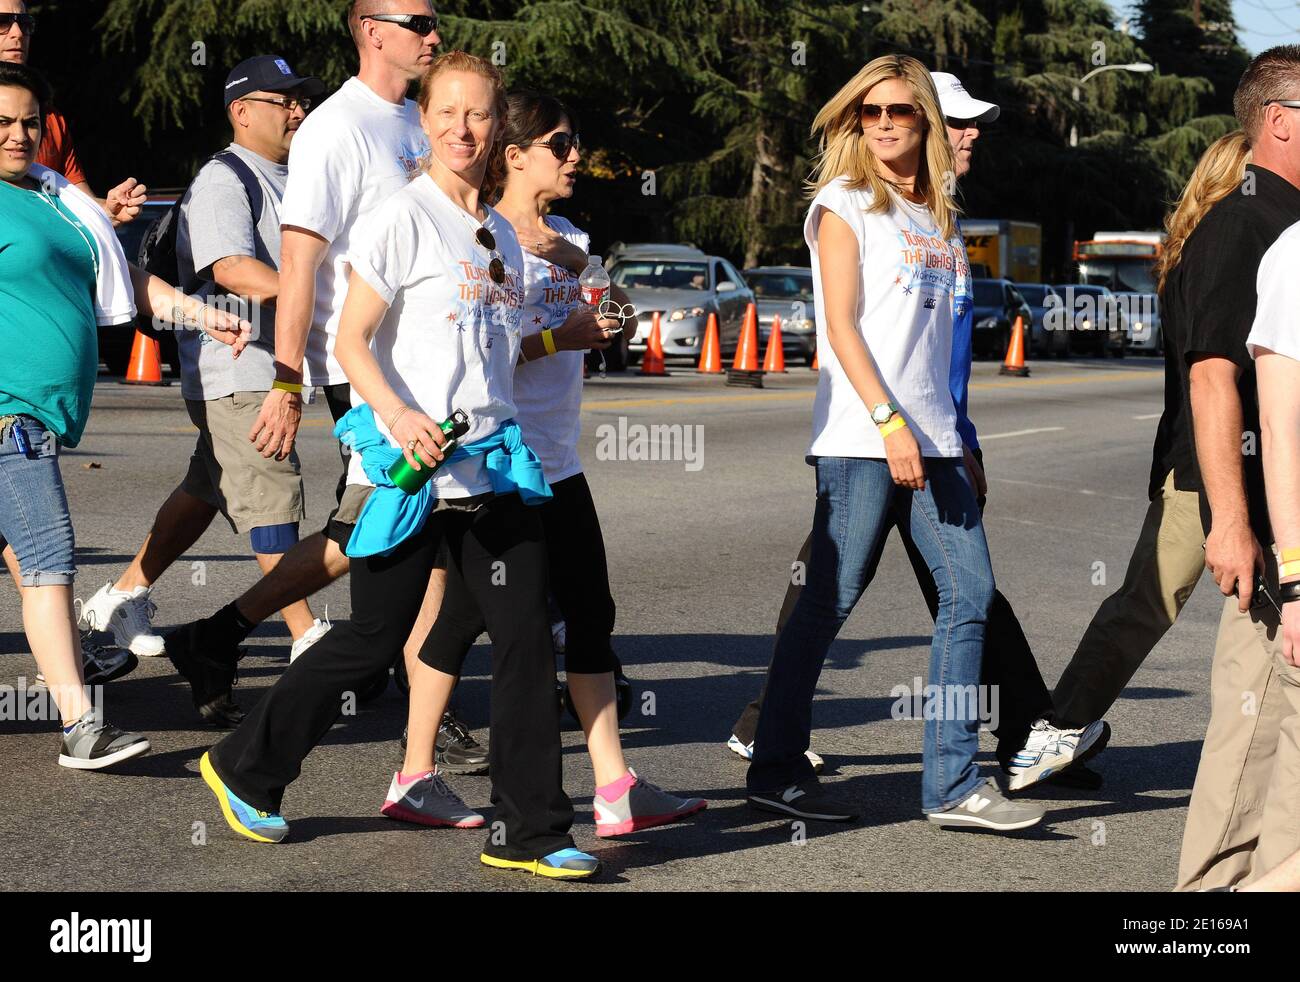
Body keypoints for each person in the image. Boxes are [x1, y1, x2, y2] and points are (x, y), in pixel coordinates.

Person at [199, 50, 603, 880]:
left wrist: (576, 280)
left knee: (527, 639)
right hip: (413, 473)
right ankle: (245, 766)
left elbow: (504, 352)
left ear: (497, 129)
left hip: (492, 475)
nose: (462, 128)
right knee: (373, 641)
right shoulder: (402, 218)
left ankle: (531, 832)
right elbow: (349, 341)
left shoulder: (498, 236)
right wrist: (397, 416)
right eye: (447, 112)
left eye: (479, 114)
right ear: (425, 122)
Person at [728, 69, 1082, 790]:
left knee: (970, 597)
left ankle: (952, 783)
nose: (884, 123)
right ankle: (773, 764)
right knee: (826, 601)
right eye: (870, 111)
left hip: (936, 441)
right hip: (866, 440)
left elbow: (939, 350)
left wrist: (958, 437)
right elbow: (841, 330)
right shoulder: (845, 204)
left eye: (899, 110)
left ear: (925, 121)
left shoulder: (939, 218)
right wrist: (890, 423)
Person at [158, 4, 484, 761]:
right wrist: (286, 379)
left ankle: (217, 632)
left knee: (368, 533)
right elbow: (300, 266)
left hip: (432, 372)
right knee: (422, 536)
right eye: (420, 21)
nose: (434, 35)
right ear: (373, 30)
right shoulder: (337, 128)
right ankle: (420, 718)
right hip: (367, 371)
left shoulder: (414, 122)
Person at [390, 88, 706, 837]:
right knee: (477, 623)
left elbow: (621, 314)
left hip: (558, 457)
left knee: (582, 615)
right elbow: (490, 352)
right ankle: (417, 772)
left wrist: (589, 269)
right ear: (516, 154)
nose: (574, 157)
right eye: (560, 144)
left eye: (575, 144)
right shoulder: (488, 238)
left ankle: (611, 783)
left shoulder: (566, 234)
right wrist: (557, 338)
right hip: (505, 461)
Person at [0, 62, 247, 768]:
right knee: (50, 565)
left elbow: (125, 278)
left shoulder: (53, 197)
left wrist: (204, 315)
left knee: (36, 569)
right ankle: (82, 725)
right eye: (2, 123)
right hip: (7, 419)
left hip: (39, 419)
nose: (18, 135)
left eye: (27, 122)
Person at [1001, 132, 1252, 791]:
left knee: (1159, 603)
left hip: (1209, 463)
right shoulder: (1224, 249)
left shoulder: (1206, 248)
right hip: (1207, 467)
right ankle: (1053, 734)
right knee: (1146, 602)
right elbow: (1208, 380)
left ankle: (1055, 733)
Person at [78, 57, 330, 689]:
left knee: (208, 487)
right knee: (272, 491)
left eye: (302, 100)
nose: (298, 111)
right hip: (238, 364)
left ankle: (122, 596)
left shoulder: (296, 176)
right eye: (284, 101)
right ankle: (306, 637)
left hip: (261, 360)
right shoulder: (227, 177)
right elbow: (232, 270)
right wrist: (315, 300)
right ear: (241, 111)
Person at [1173, 45, 1300, 891]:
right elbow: (1213, 372)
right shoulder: (1249, 221)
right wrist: (1231, 519)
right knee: (1253, 738)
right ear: (1282, 121)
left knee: (1280, 754)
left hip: (1278, 532)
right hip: (1269, 532)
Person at [0, 0, 146, 225]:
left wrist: (109, 210)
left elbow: (74, 202)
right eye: (2, 22)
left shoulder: (51, 118)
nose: (18, 33)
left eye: (25, 23)